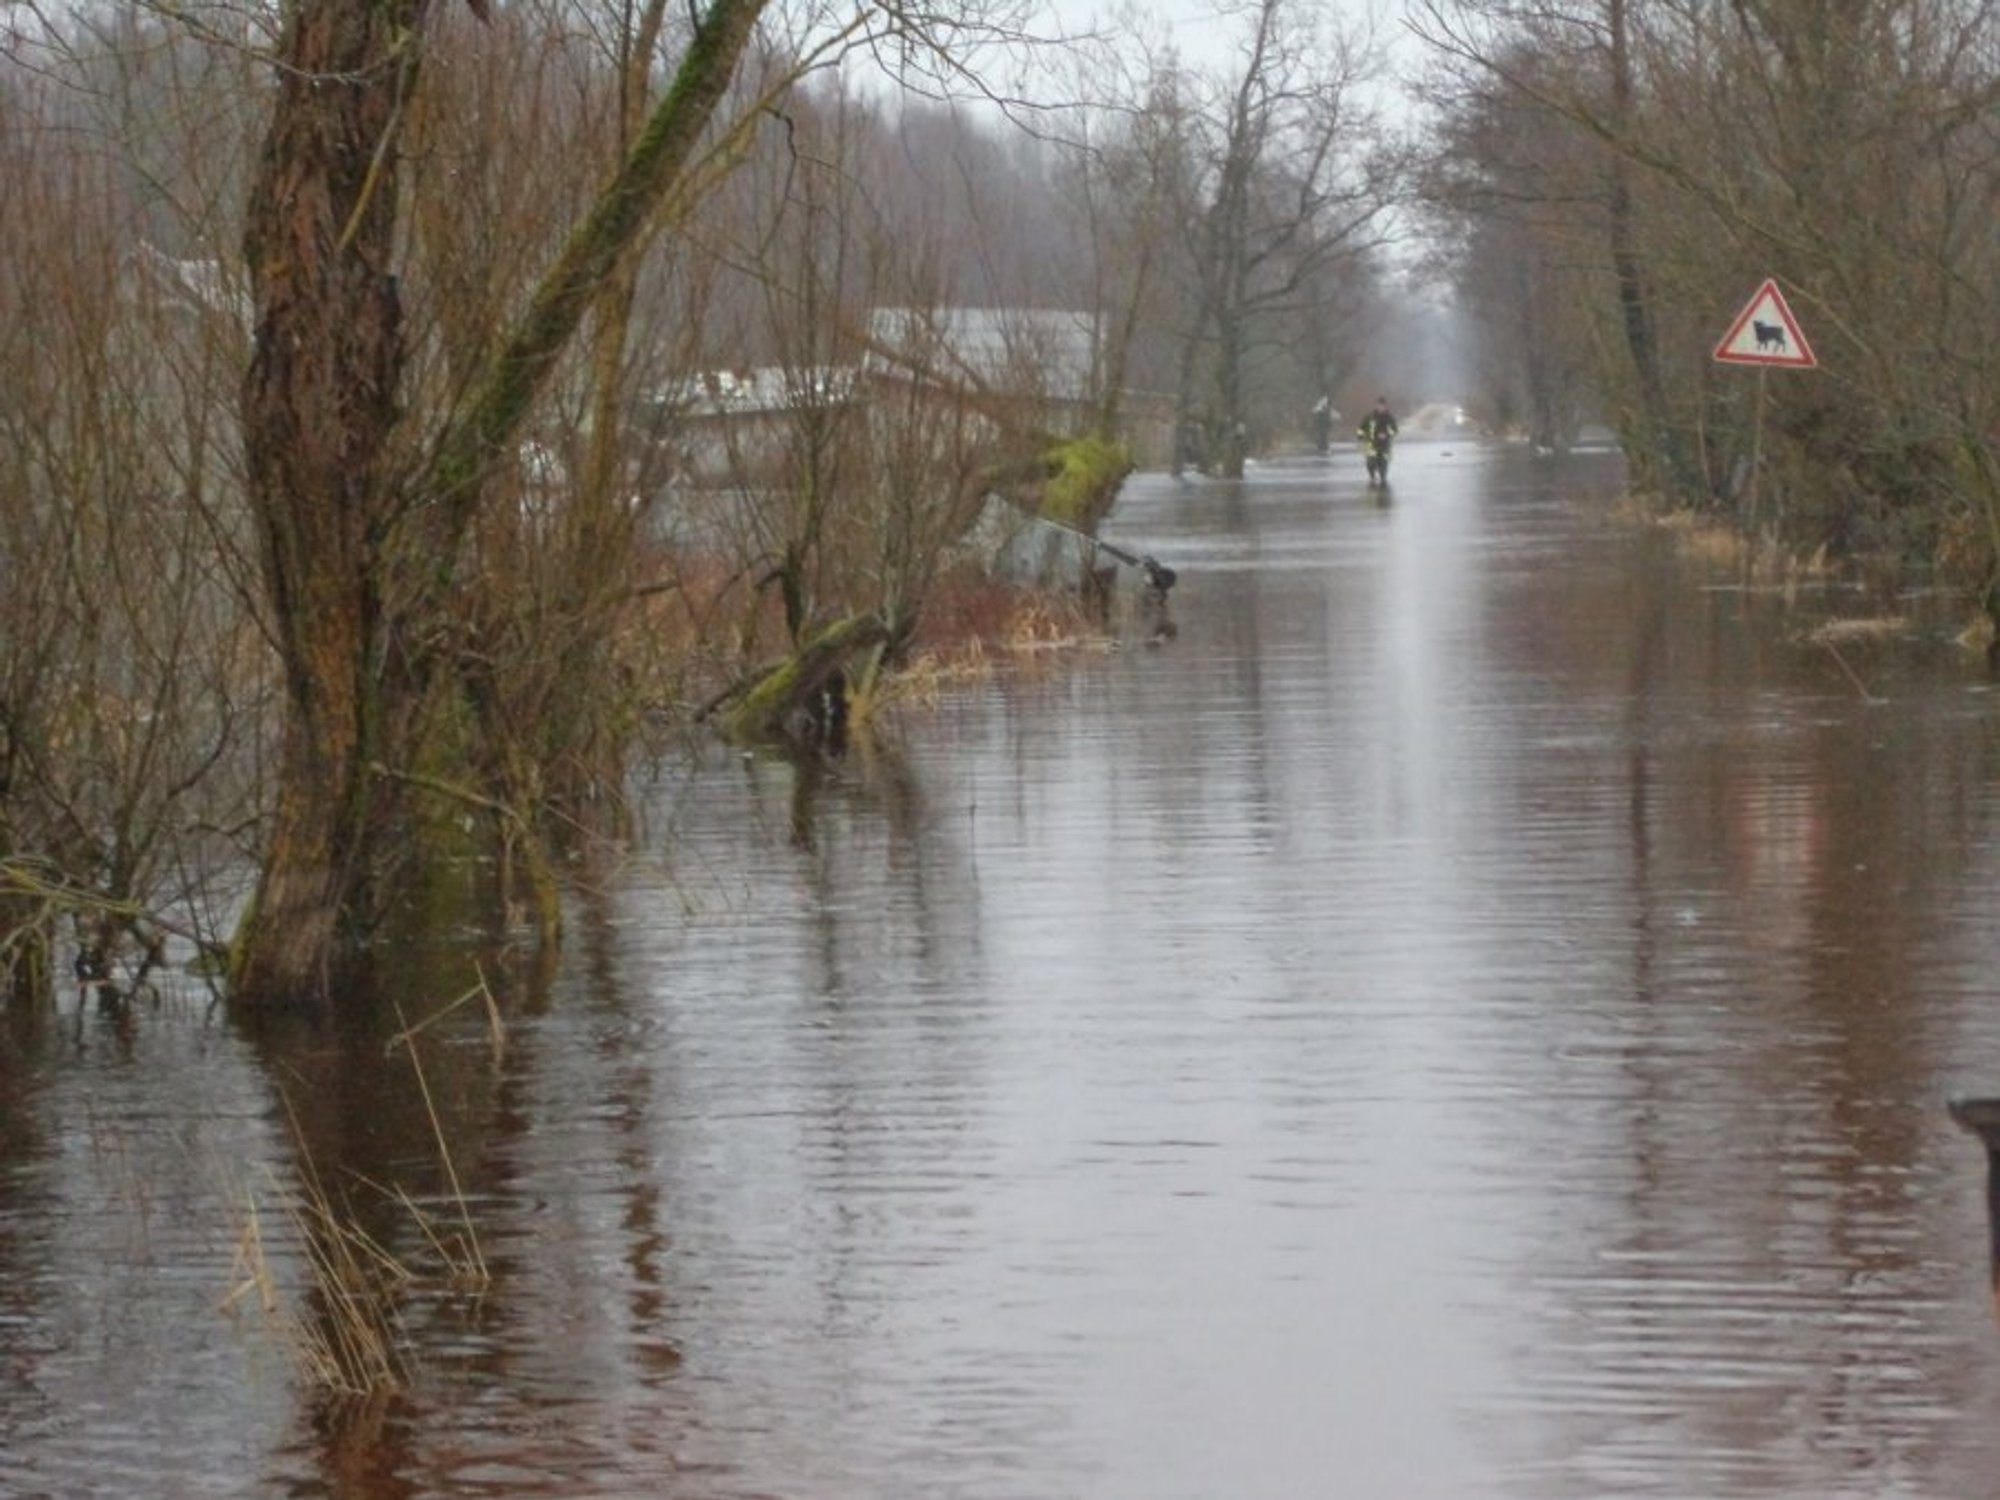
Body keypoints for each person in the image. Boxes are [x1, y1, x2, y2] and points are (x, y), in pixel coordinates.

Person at [1356, 397, 1398, 482]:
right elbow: (1361, 428)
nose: (1380, 408)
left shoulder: (1389, 418)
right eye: (1379, 405)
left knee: (1383, 464)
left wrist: (1386, 435)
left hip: (1385, 445)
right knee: (1370, 462)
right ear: (1376, 406)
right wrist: (1360, 437)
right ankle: (1372, 477)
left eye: (1382, 406)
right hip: (1371, 444)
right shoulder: (1369, 417)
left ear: (1386, 406)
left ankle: (1383, 479)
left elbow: (1395, 430)